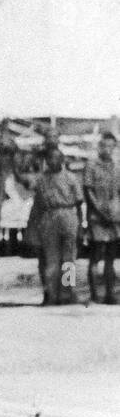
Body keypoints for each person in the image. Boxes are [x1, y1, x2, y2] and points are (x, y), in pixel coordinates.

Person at [31, 144, 85, 306]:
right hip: (48, 217)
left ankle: (67, 294)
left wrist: (80, 225)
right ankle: (51, 294)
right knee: (51, 259)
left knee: (68, 258)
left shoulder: (71, 177)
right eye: (49, 158)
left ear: (62, 160)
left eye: (56, 158)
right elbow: (37, 203)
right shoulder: (40, 179)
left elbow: (78, 202)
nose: (52, 161)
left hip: (68, 214)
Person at [83, 130, 120, 305]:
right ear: (99, 146)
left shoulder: (116, 166)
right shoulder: (91, 165)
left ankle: (110, 294)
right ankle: (93, 294)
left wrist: (114, 212)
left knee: (111, 258)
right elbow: (88, 190)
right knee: (95, 256)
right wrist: (99, 211)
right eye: (104, 145)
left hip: (113, 218)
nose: (107, 149)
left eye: (111, 146)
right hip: (96, 218)